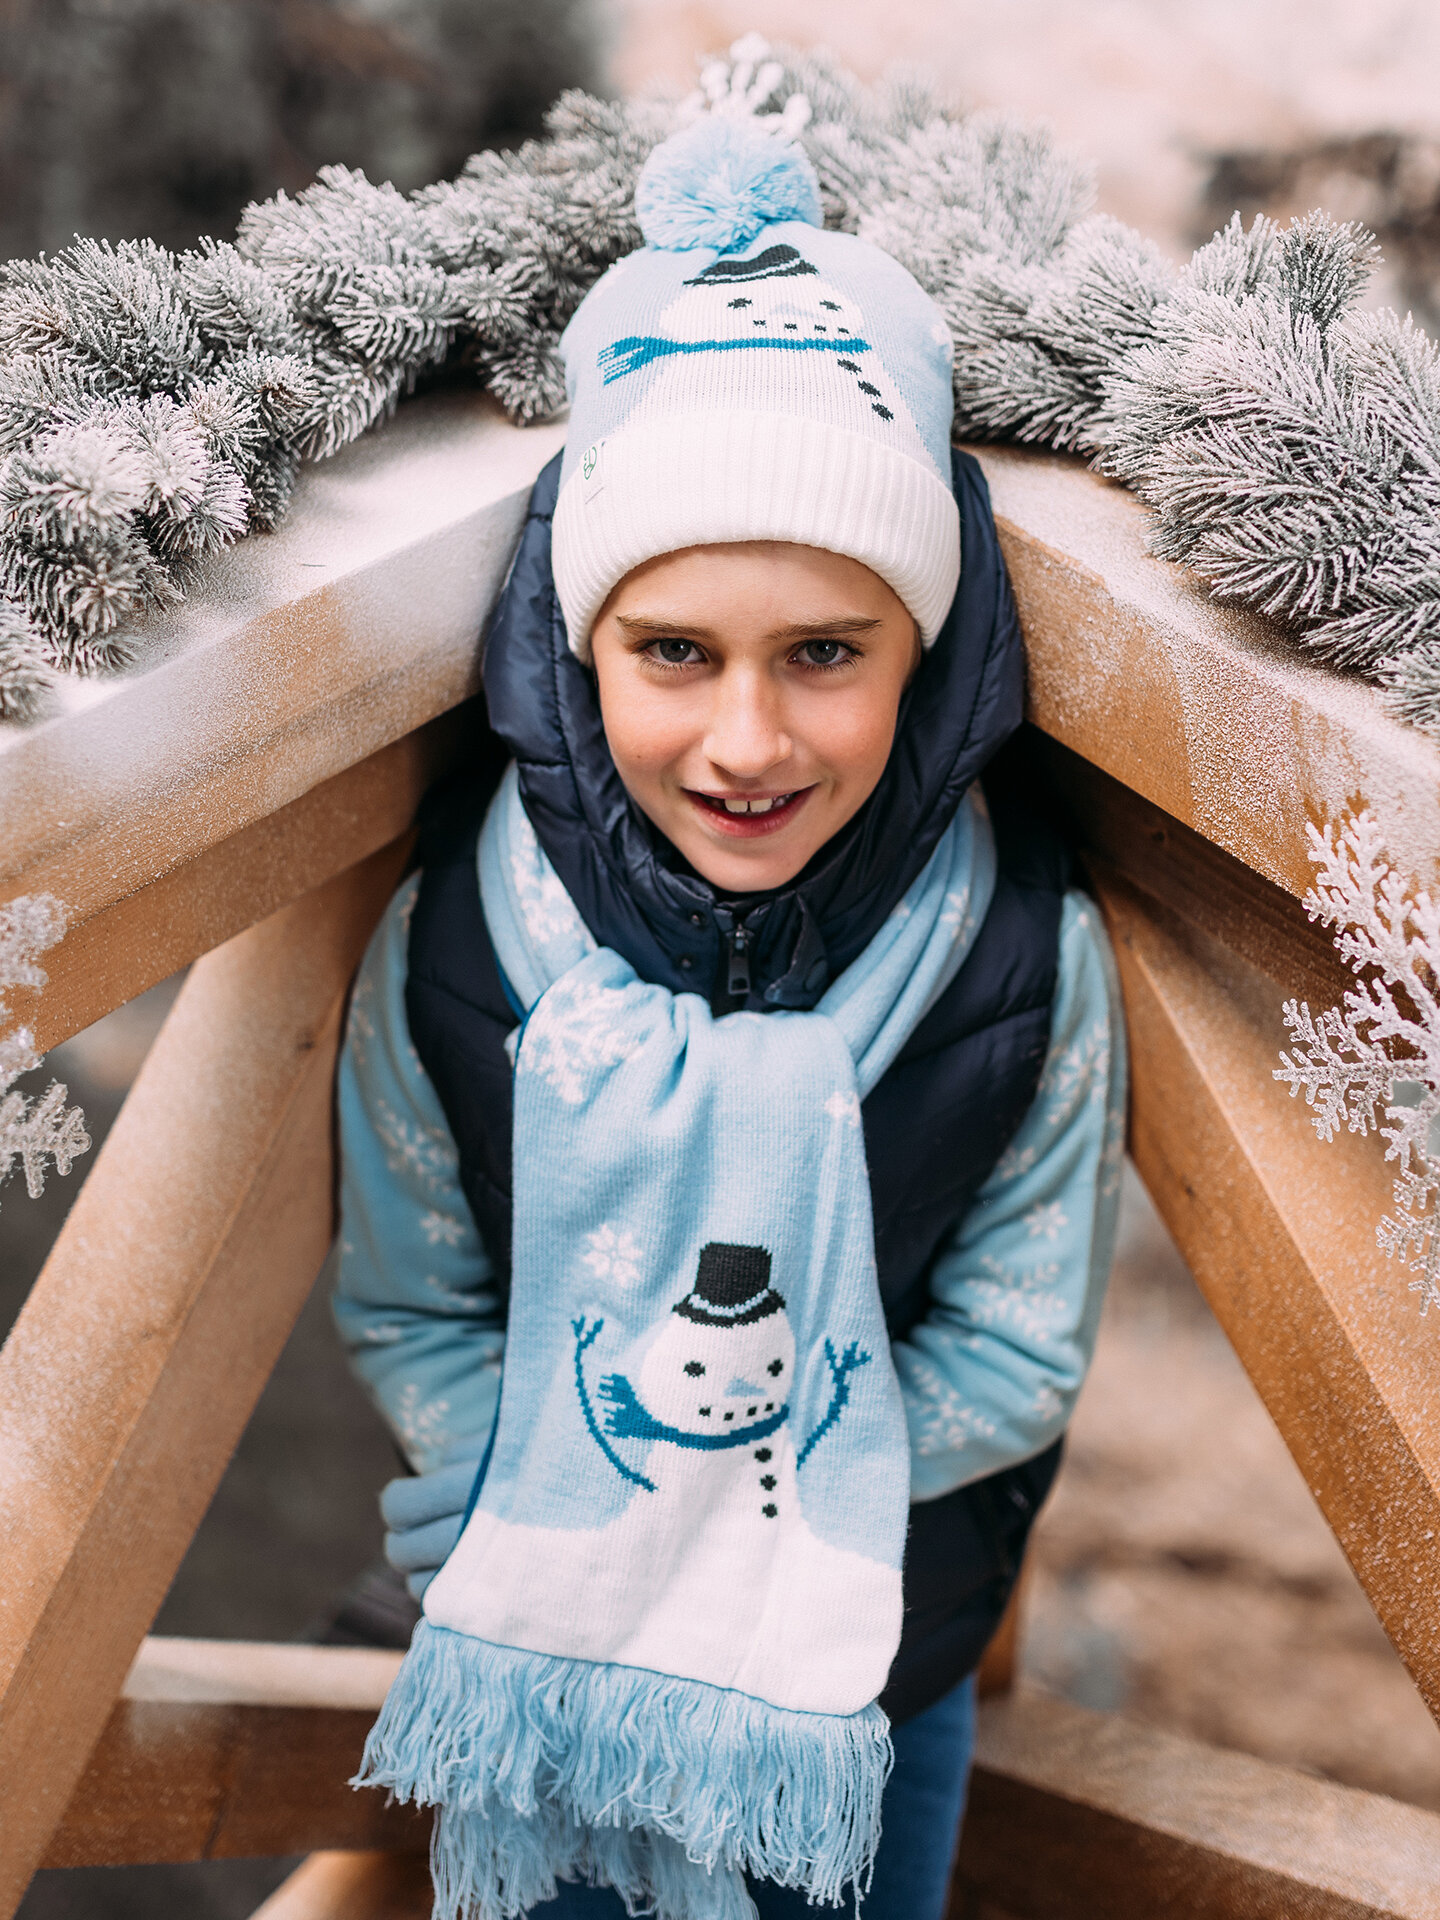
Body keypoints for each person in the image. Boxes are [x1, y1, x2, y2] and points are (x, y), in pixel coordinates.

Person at [332, 112, 1125, 1920]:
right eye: (674, 651)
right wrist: (570, 1511)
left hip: (860, 1659)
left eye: (826, 654)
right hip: (551, 1633)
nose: (748, 742)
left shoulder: (1017, 962)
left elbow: (1018, 1341)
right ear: (581, 637)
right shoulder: (468, 940)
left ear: (922, 651)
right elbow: (408, 1283)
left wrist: (761, 1539)